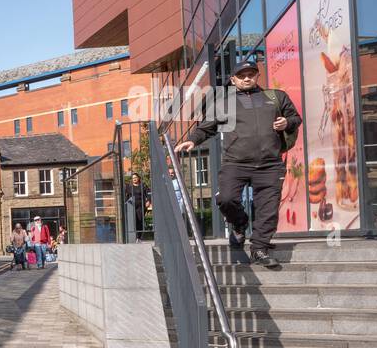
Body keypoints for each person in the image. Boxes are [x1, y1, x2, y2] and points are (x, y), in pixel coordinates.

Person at [174, 56, 302, 267]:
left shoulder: (275, 97)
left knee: (267, 209)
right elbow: (207, 127)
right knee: (226, 198)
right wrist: (191, 141)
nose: (246, 78)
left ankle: (259, 248)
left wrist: (287, 122)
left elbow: (295, 118)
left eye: (250, 74)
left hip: (270, 163)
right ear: (233, 80)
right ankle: (239, 223)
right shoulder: (225, 102)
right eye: (241, 76)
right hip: (236, 163)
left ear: (257, 76)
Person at [124, 173, 150, 239]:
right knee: (133, 221)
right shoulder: (129, 187)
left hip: (140, 206)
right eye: (133, 178)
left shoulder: (143, 186)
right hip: (131, 206)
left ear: (138, 178)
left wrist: (148, 201)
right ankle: (133, 236)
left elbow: (149, 194)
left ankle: (139, 237)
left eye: (135, 177)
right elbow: (125, 196)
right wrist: (125, 203)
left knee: (140, 220)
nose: (134, 179)